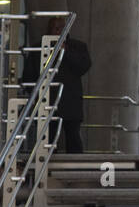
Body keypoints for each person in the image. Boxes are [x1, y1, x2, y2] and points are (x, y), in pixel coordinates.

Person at [22, 16, 92, 154]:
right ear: (49, 30)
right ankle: (45, 167)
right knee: (46, 138)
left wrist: (64, 51)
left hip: (70, 101)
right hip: (46, 101)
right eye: (55, 28)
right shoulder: (38, 49)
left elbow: (84, 66)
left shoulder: (78, 47)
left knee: (73, 137)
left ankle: (75, 170)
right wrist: (37, 96)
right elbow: (29, 76)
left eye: (61, 28)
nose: (58, 32)